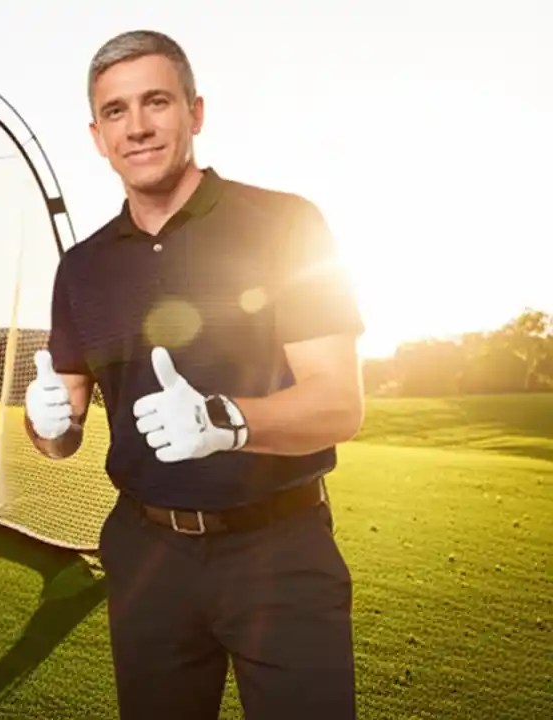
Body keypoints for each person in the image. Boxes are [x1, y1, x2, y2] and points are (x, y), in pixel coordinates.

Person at [23, 29, 366, 720]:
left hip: (280, 552)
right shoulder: (83, 267)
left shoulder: (285, 223)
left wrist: (228, 421)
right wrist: (45, 423)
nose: (137, 126)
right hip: (147, 557)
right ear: (97, 136)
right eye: (115, 111)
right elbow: (65, 433)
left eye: (156, 102)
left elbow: (340, 404)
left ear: (195, 113)